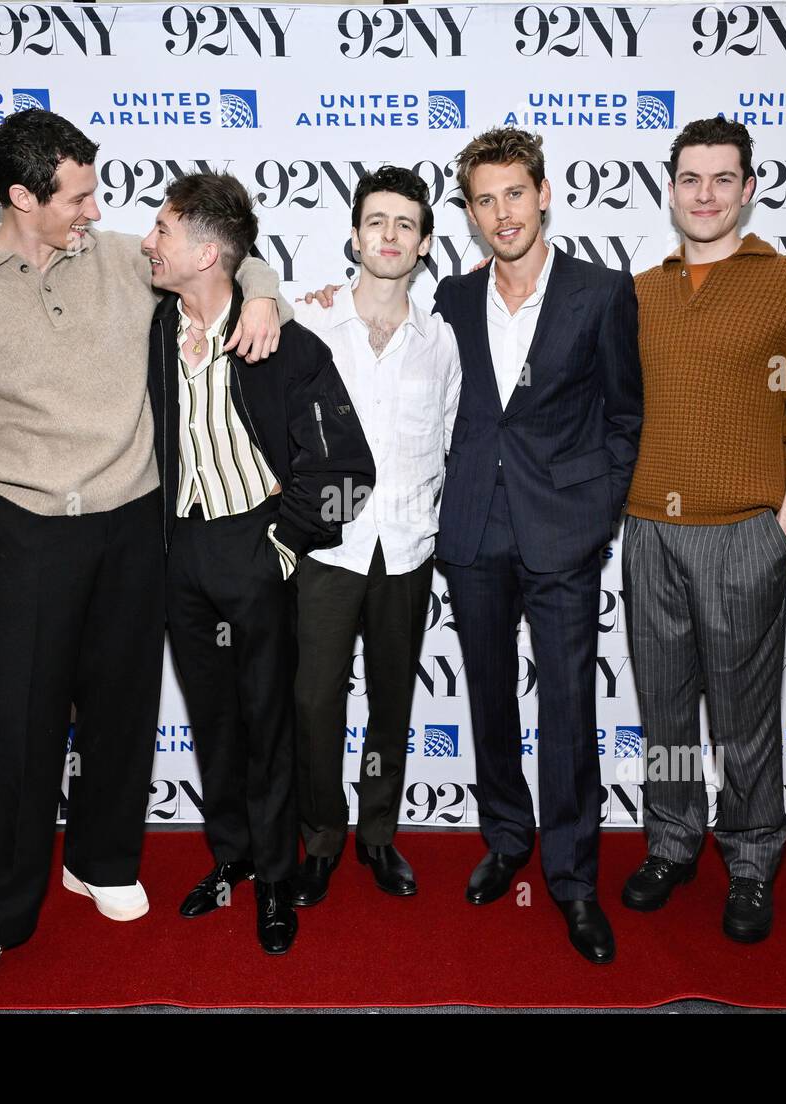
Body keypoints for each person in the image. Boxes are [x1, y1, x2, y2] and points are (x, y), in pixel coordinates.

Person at [0, 109, 286, 1004]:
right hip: (31, 530)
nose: (95, 210)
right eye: (78, 195)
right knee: (18, 733)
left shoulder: (116, 263)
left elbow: (223, 253)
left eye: (96, 191)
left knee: (122, 709)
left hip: (136, 521)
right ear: (23, 197)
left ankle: (101, 861)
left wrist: (262, 289)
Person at [619, 117, 786, 943]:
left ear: (749, 187)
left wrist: (777, 537)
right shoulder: (639, 292)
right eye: (692, 178)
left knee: (746, 719)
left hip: (743, 537)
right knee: (665, 714)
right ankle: (673, 842)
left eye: (724, 178)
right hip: (647, 533)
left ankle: (751, 860)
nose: (707, 194)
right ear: (671, 187)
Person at [143, 171, 375, 955]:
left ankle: (276, 877)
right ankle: (232, 858)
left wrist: (286, 540)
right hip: (181, 553)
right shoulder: (151, 332)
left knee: (269, 724)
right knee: (214, 723)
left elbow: (350, 472)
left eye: (164, 230)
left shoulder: (283, 345)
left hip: (256, 548)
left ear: (208, 252)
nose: (149, 242)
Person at [434, 128, 641, 965]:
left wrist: (595, 513)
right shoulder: (450, 298)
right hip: (475, 527)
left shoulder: (600, 292)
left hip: (563, 532)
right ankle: (507, 838)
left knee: (568, 709)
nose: (501, 213)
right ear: (472, 212)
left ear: (544, 193)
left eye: (514, 193)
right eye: (484, 200)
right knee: (488, 698)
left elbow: (627, 415)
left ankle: (573, 879)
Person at [288, 166, 461, 906]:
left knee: (392, 702)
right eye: (376, 222)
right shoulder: (307, 323)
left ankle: (379, 836)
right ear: (355, 236)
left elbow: (450, 436)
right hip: (329, 549)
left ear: (424, 245)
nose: (389, 236)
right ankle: (322, 837)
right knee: (313, 701)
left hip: (408, 549)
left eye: (405, 225)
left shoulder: (442, 341)